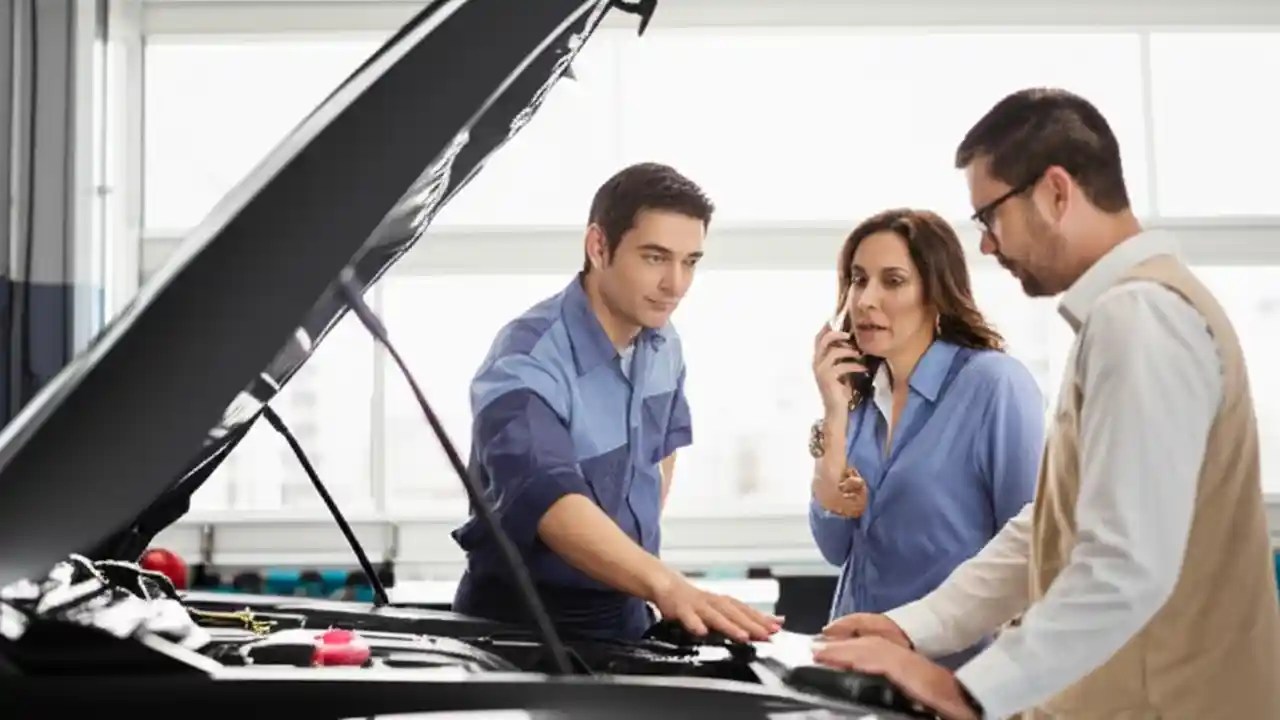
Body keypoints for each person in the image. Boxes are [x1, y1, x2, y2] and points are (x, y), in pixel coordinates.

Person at [814, 88, 1280, 720]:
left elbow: (1125, 565)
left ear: (1056, 193)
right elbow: (1047, 527)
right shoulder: (1123, 316)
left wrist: (969, 689)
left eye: (990, 217)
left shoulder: (1138, 318)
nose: (985, 245)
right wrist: (913, 627)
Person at [451, 161, 781, 644]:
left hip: (624, 611)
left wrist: (636, 572)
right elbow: (549, 499)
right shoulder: (524, 360)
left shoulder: (665, 344)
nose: (676, 284)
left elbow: (661, 455)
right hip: (520, 630)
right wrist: (666, 584)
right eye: (655, 257)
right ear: (598, 246)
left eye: (690, 261)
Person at [808, 208, 1043, 670]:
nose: (865, 300)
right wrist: (833, 418)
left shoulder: (993, 385)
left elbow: (1035, 551)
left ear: (935, 293)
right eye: (858, 280)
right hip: (858, 674)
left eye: (892, 281)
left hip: (956, 677)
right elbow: (835, 548)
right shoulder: (857, 396)